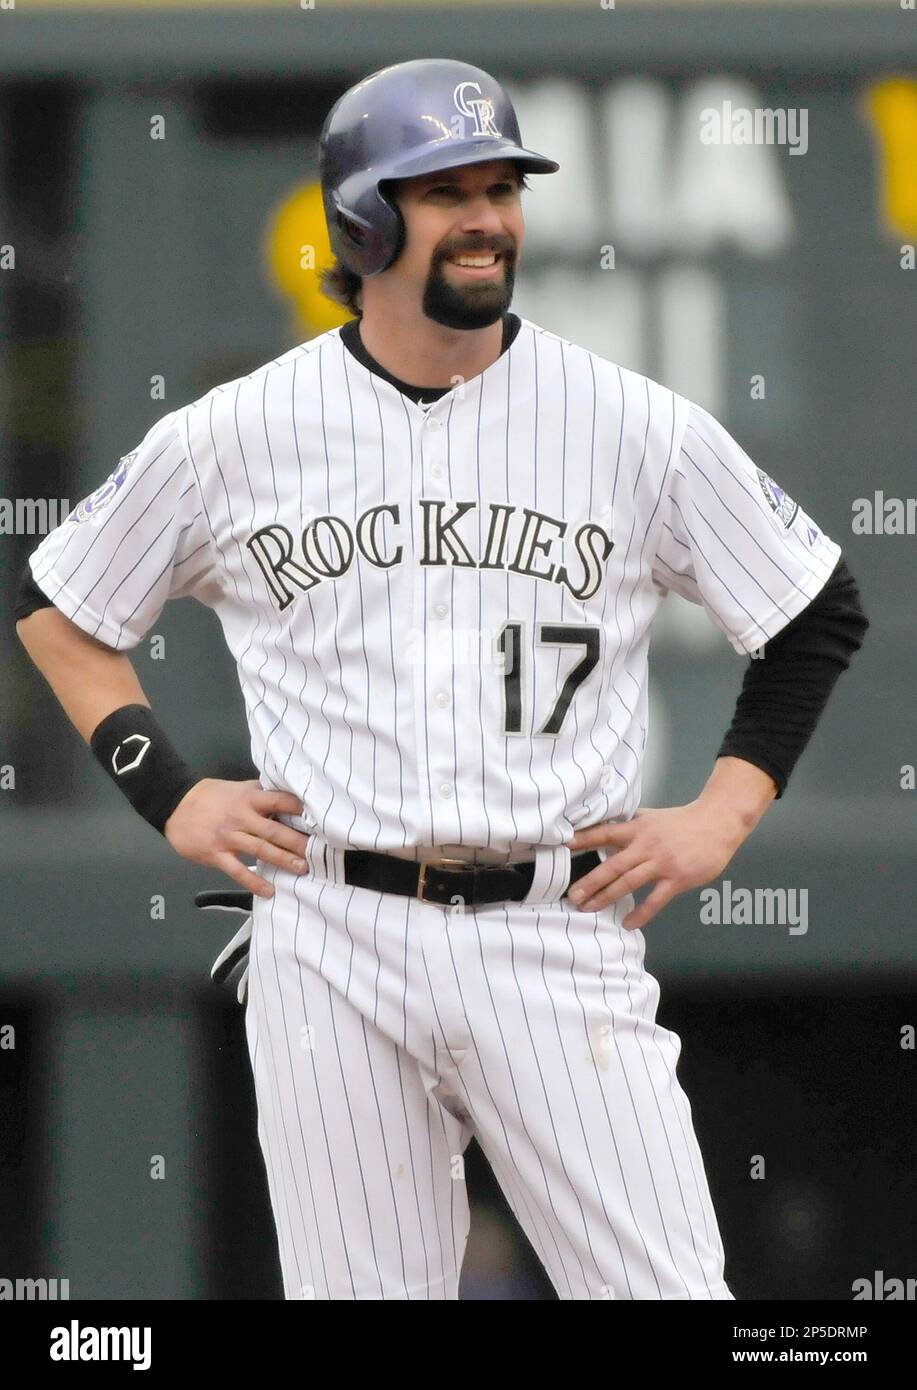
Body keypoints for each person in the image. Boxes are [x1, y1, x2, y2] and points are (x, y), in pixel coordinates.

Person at [15, 58, 868, 1300]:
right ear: (360, 220)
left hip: (551, 929)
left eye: (500, 187)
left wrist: (723, 813)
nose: (486, 217)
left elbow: (811, 607)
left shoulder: (628, 424)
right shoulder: (236, 431)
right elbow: (61, 603)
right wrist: (171, 791)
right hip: (328, 932)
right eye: (443, 190)